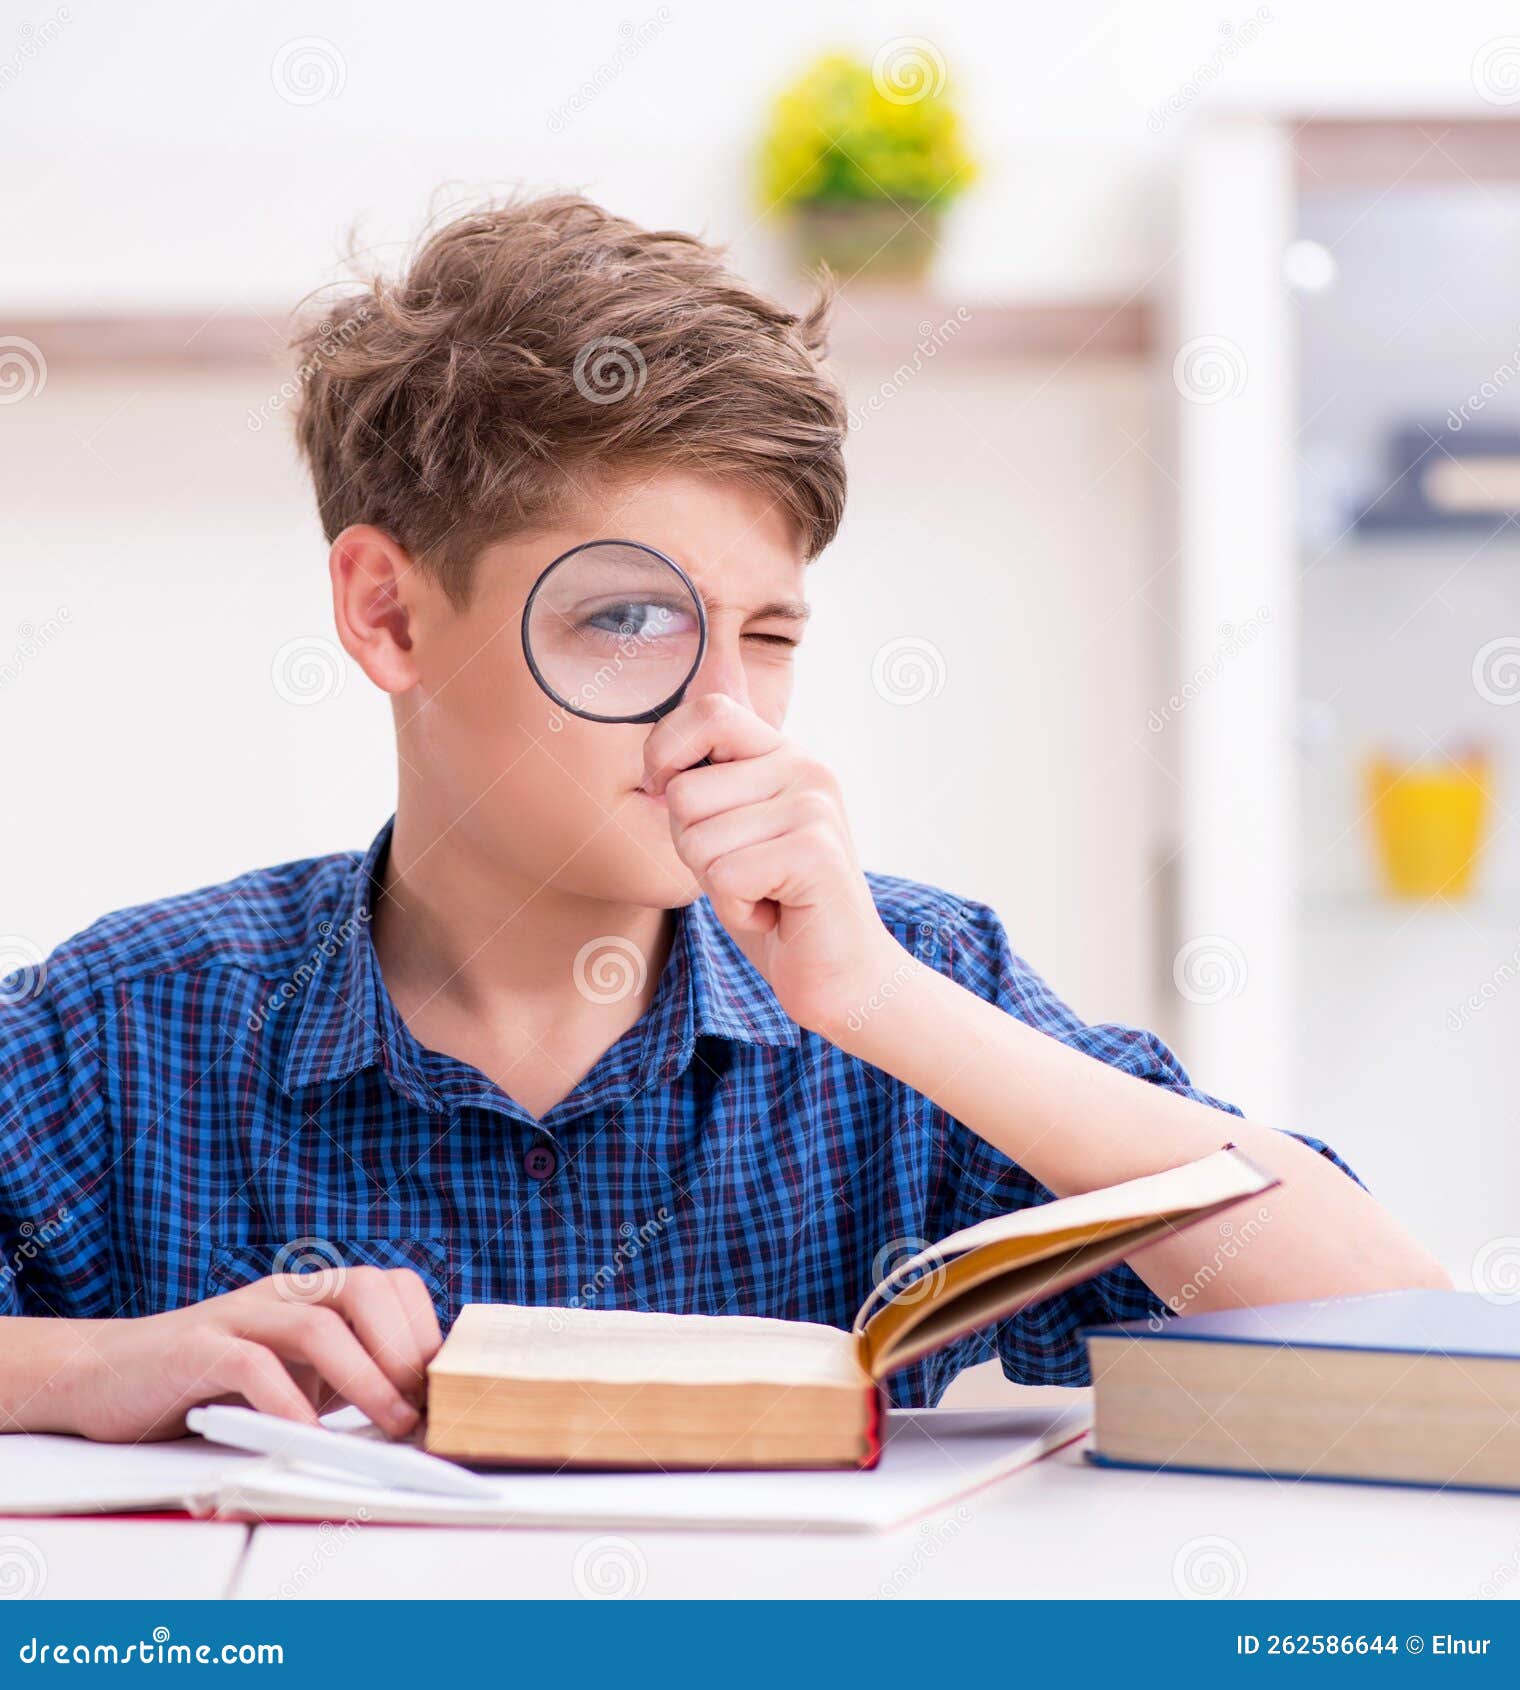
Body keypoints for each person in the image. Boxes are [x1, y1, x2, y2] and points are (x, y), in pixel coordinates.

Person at [0, 194, 1447, 1444]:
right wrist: (89, 1367)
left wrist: (884, 1004)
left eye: (767, 635)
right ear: (389, 613)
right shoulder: (128, 1031)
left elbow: (1403, 1343)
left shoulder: (911, 995)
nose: (724, 716)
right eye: (629, 620)